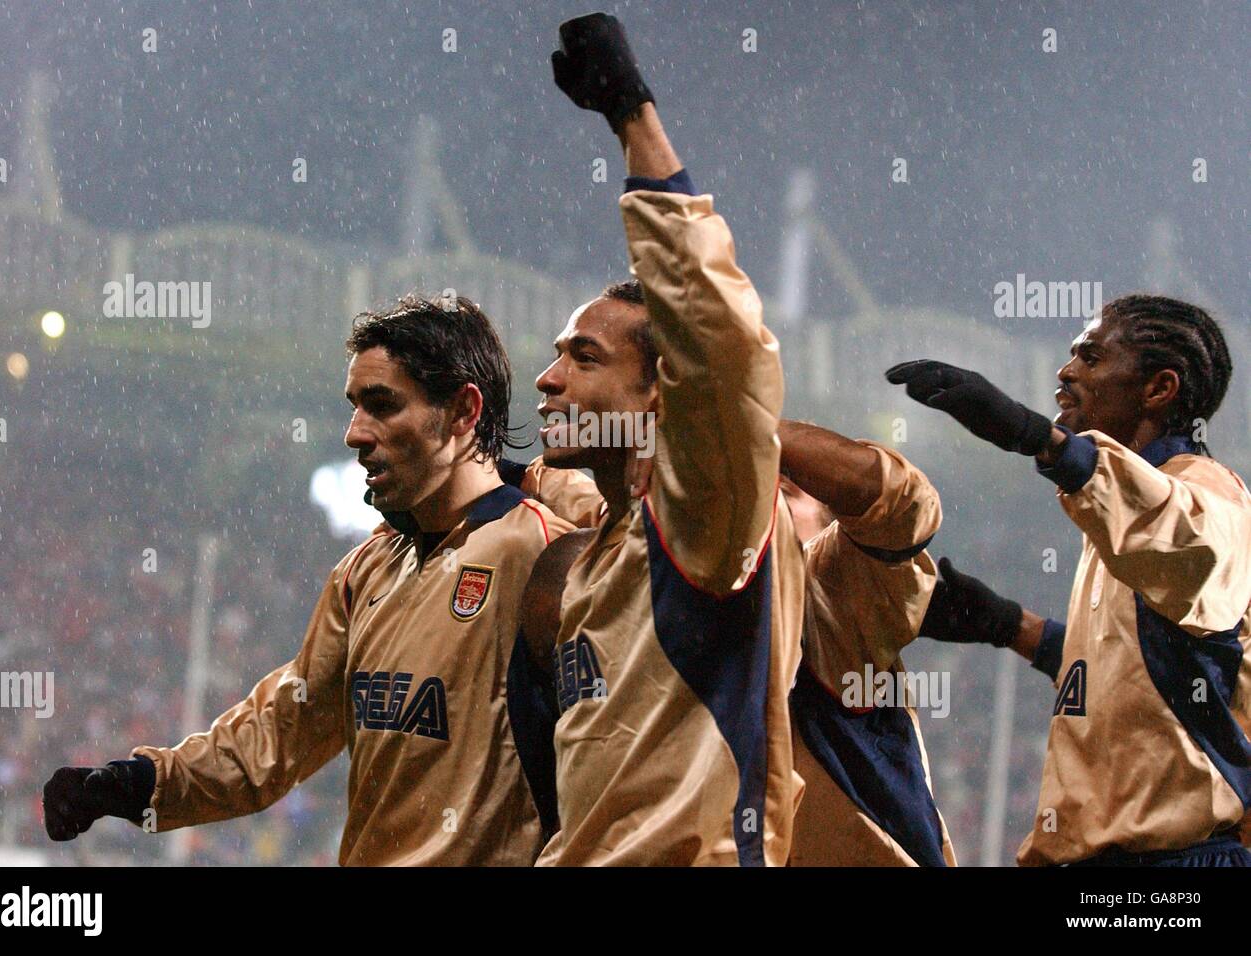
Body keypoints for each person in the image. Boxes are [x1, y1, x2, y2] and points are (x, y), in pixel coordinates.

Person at [42, 294, 575, 865]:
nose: (354, 433)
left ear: (463, 412)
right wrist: (135, 783)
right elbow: (278, 735)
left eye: (381, 405)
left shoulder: (547, 557)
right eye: (354, 406)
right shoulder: (366, 570)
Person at [528, 13, 806, 866]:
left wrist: (634, 120)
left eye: (583, 357)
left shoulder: (703, 518)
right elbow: (547, 484)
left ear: (659, 389)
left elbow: (722, 341)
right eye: (553, 357)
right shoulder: (609, 531)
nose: (548, 379)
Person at [890, 294, 1251, 866]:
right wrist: (1006, 624)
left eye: (1091, 355)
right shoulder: (1122, 512)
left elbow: (1184, 544)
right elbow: (1135, 674)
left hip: (1177, 865)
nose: (1066, 370)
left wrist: (1039, 438)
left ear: (1159, 388)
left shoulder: (1208, 495)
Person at [776, 422, 957, 866]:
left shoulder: (829, 578)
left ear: (829, 532)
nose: (767, 506)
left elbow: (902, 501)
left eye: (785, 493)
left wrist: (734, 418)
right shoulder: (677, 596)